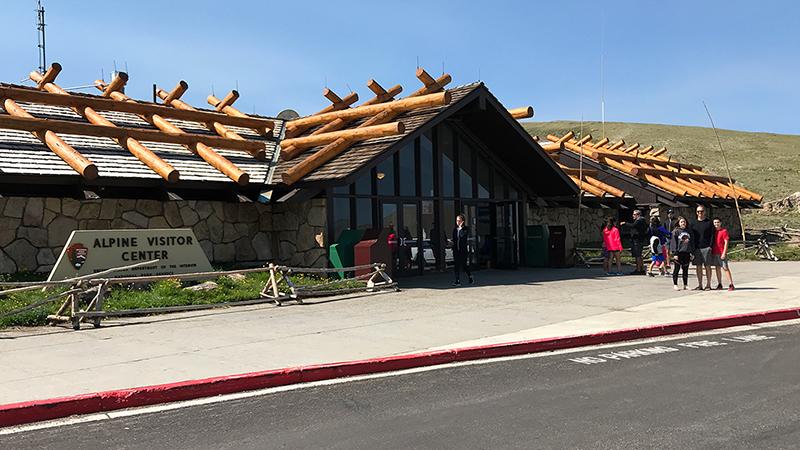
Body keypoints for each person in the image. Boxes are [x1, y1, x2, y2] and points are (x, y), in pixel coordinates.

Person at [691, 205, 715, 290]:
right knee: (698, 266)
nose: (700, 213)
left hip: (706, 248)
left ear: (705, 212)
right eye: (698, 211)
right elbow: (691, 236)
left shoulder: (709, 223)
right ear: (696, 212)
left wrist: (710, 247)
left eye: (701, 211)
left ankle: (708, 284)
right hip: (697, 248)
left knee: (707, 266)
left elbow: (712, 235)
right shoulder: (693, 223)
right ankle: (700, 284)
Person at [670, 216, 694, 291]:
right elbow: (673, 243)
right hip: (679, 253)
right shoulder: (676, 231)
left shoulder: (689, 231)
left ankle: (685, 284)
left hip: (686, 252)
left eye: (684, 222)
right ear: (678, 223)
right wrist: (675, 253)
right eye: (681, 222)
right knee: (676, 269)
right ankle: (675, 284)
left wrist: (692, 252)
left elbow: (692, 242)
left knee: (685, 269)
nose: (683, 223)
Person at [711, 217, 735, 291]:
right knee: (717, 268)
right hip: (715, 252)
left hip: (721, 252)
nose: (716, 224)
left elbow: (726, 242)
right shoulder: (713, 232)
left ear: (720, 223)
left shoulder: (724, 231)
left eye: (717, 222)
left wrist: (724, 252)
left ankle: (731, 284)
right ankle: (719, 284)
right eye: (715, 222)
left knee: (725, 268)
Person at [622, 209, 648, 275]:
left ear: (638, 215)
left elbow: (633, 225)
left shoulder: (639, 220)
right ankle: (641, 269)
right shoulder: (642, 220)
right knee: (639, 255)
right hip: (639, 239)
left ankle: (638, 269)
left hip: (637, 240)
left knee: (638, 255)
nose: (633, 216)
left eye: (634, 214)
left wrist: (625, 223)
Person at [451, 214, 473, 286]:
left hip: (463, 250)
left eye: (459, 221)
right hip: (456, 250)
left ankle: (470, 276)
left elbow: (463, 237)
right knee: (456, 265)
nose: (457, 222)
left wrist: (460, 229)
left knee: (464, 265)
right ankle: (457, 281)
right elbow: (454, 239)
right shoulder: (455, 229)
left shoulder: (465, 229)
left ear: (462, 221)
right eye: (456, 220)